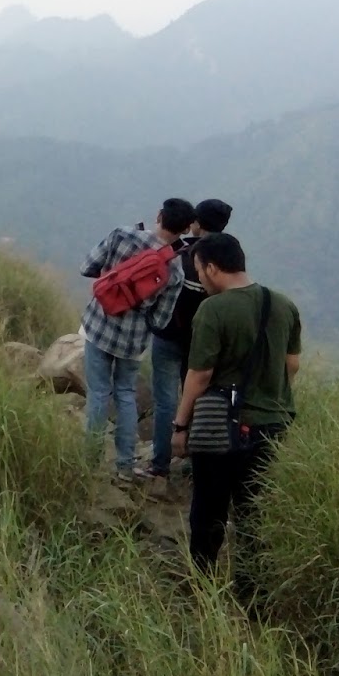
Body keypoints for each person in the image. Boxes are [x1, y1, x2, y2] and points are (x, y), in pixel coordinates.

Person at [171, 232, 299, 600]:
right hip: (272, 426)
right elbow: (292, 364)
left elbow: (200, 375)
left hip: (220, 428)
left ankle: (202, 591)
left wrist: (180, 426)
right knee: (253, 514)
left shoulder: (213, 310)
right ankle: (252, 599)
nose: (199, 278)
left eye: (199, 270)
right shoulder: (283, 305)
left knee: (208, 511)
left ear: (212, 268)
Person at [79, 199, 192, 481]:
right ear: (185, 230)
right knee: (125, 394)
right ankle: (125, 466)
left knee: (98, 393)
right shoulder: (175, 270)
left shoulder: (122, 235)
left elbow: (88, 266)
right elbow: (160, 321)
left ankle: (89, 462)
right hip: (133, 342)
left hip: (98, 326)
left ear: (159, 215)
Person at [141, 197, 233, 481]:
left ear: (196, 223)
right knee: (199, 400)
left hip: (168, 336)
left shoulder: (181, 253)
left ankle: (160, 464)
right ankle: (195, 464)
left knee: (165, 401)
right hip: (203, 345)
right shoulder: (227, 260)